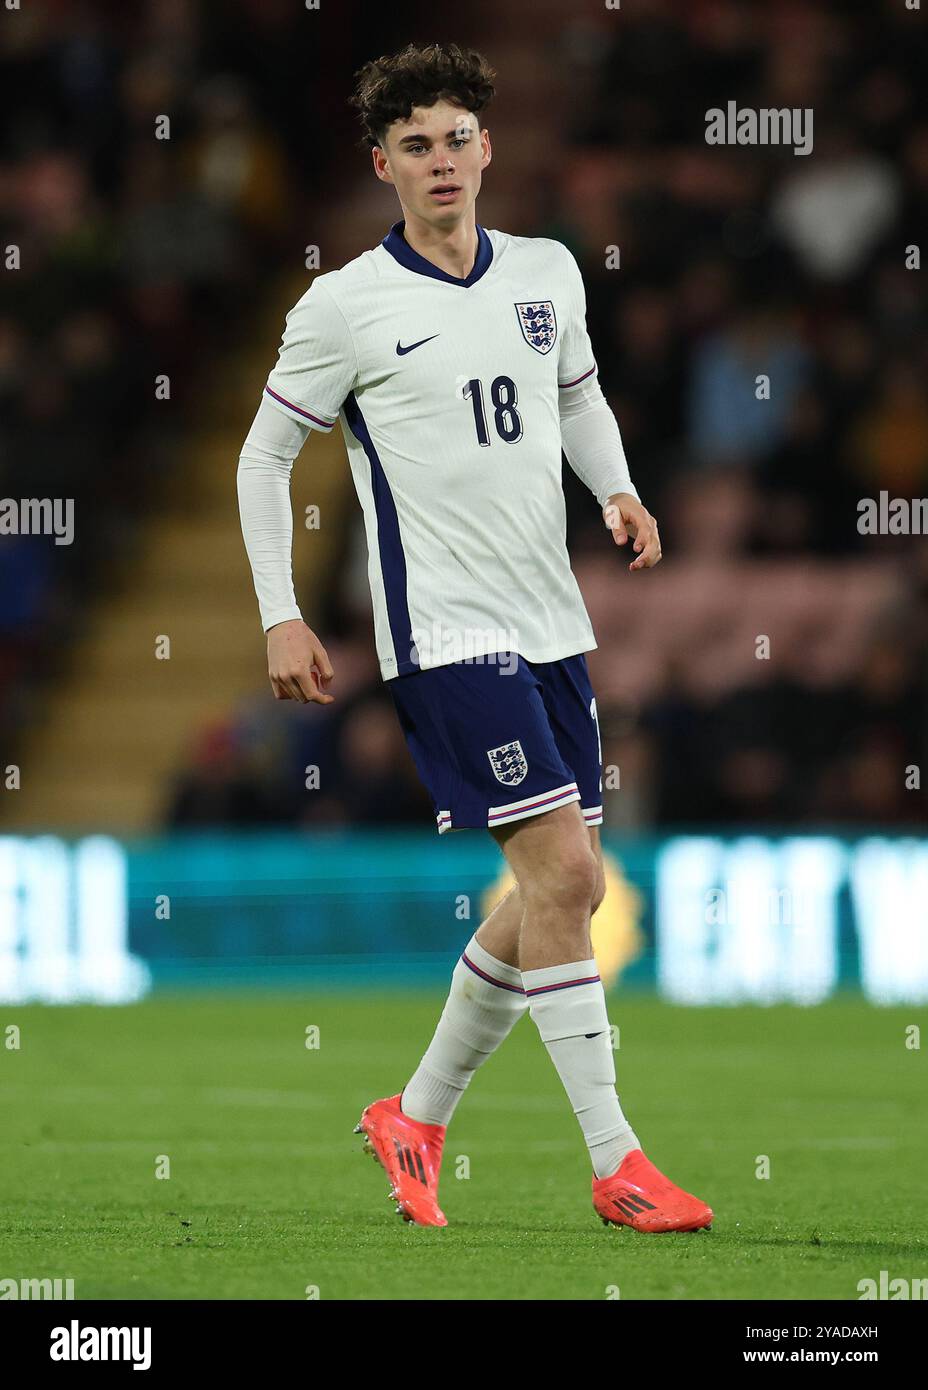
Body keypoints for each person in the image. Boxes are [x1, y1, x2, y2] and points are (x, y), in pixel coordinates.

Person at [237, 41, 711, 1234]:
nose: (441, 160)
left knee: (552, 888)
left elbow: (575, 395)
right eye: (416, 145)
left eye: (457, 138)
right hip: (445, 634)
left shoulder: (545, 270)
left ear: (487, 147)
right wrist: (280, 610)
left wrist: (617, 487)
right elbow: (263, 456)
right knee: (567, 877)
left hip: (551, 620)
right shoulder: (345, 305)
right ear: (382, 165)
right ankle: (616, 1162)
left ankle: (414, 1115)